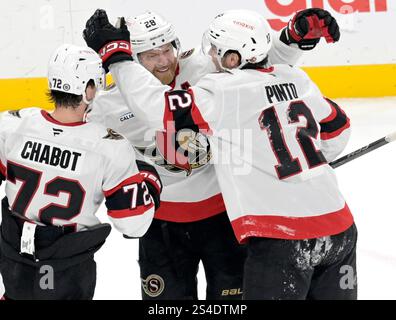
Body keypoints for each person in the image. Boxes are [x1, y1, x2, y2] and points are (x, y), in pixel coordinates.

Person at [84, 8, 357, 300]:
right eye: (151, 55)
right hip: (162, 227)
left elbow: (259, 72)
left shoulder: (207, 69)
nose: (164, 61)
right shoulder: (107, 106)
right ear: (134, 60)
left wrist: (287, 43)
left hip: (222, 216)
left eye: (167, 49)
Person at [0, 44, 162, 300]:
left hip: (13, 257)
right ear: (88, 90)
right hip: (65, 266)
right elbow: (134, 224)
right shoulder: (109, 147)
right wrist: (149, 181)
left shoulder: (12, 124)